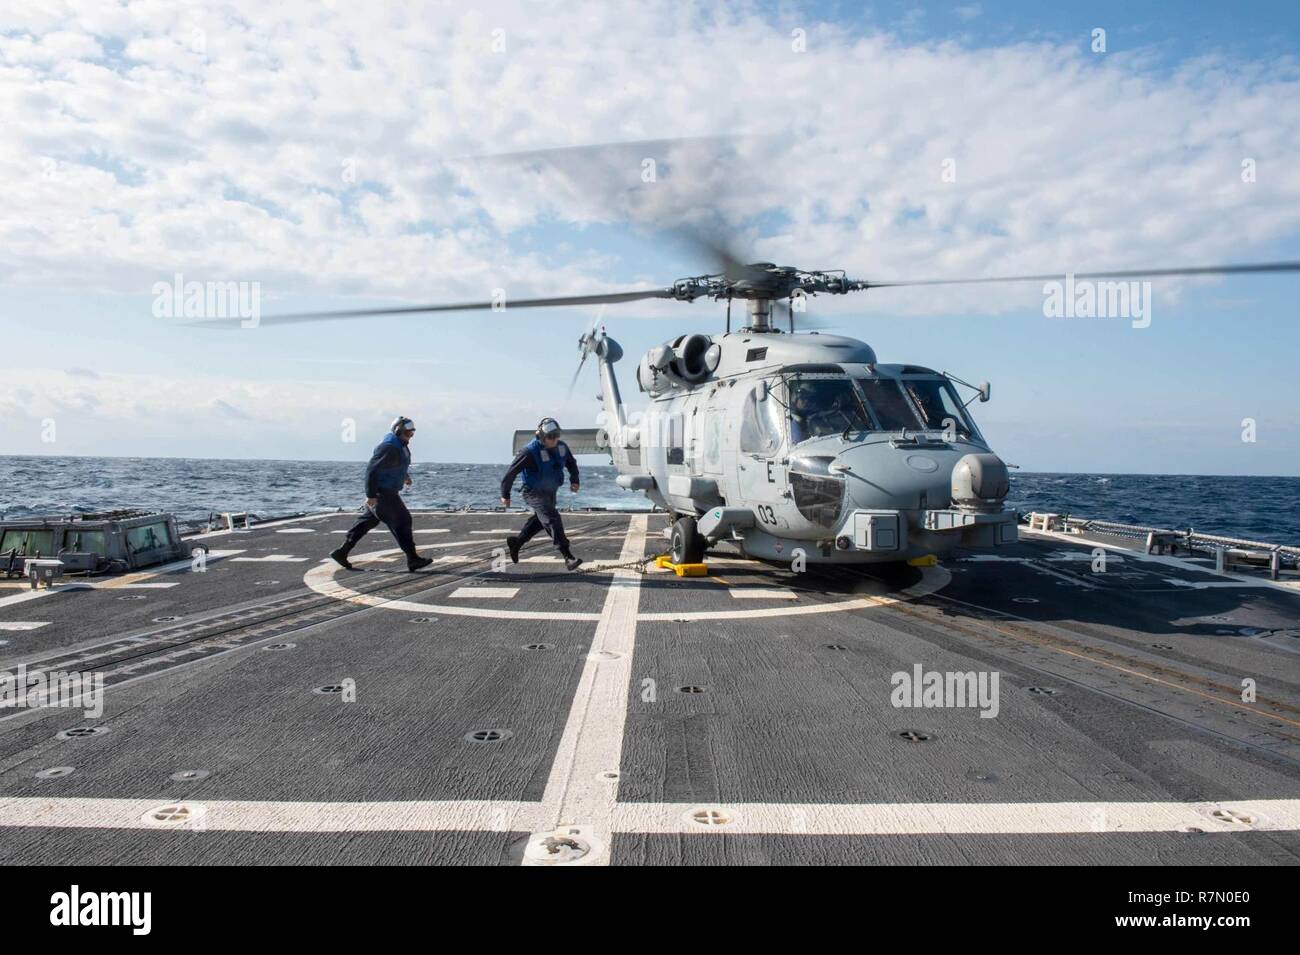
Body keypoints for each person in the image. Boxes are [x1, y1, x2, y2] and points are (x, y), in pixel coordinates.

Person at [330, 416, 433, 572]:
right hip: (383, 494)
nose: (410, 437)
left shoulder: (401, 445)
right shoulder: (389, 447)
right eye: (407, 433)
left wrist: (404, 476)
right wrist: (371, 495)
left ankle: (342, 551)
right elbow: (372, 471)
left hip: (386, 492)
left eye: (412, 434)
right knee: (402, 521)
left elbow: (397, 464)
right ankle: (412, 559)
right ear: (398, 431)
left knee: (368, 522)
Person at [500, 417, 583, 571]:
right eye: (551, 437)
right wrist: (505, 494)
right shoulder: (529, 451)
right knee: (552, 518)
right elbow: (511, 472)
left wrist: (575, 480)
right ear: (541, 437)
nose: (555, 439)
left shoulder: (562, 447)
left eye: (557, 435)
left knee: (540, 521)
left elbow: (571, 463)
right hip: (532, 493)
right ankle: (568, 557)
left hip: (550, 492)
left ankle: (516, 543)